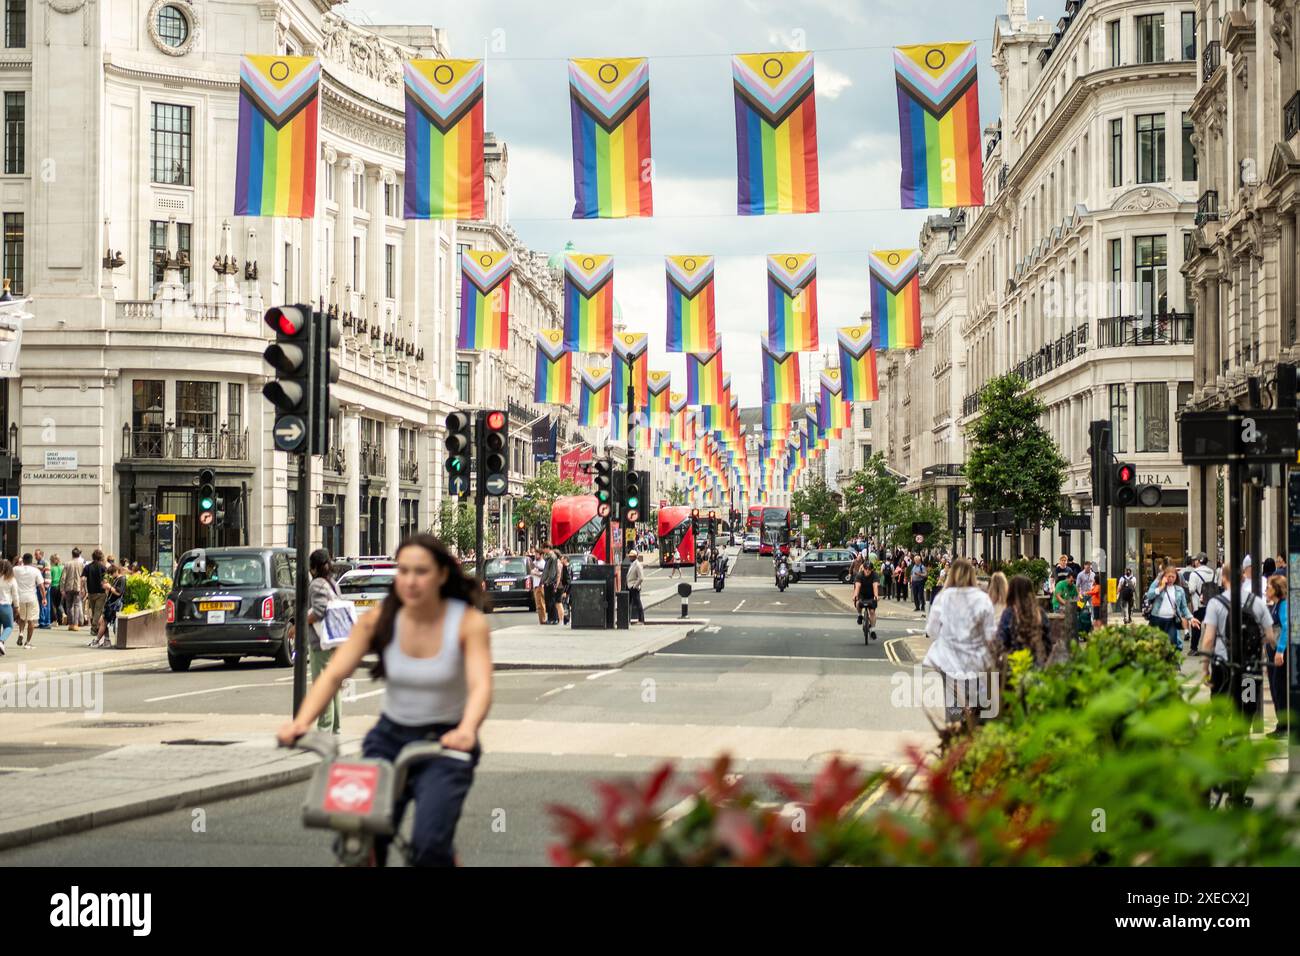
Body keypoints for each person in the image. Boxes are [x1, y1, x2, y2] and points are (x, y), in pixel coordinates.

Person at [278, 535, 492, 867]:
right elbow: (333, 674)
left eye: (421, 571)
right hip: (389, 738)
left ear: (442, 575)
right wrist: (301, 722)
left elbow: (480, 685)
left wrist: (466, 729)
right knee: (359, 836)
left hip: (445, 742)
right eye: (403, 570)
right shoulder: (380, 619)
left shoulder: (466, 623)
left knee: (430, 847)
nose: (410, 580)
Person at [922, 559, 996, 723]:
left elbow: (932, 630)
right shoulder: (983, 599)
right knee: (977, 708)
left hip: (949, 662)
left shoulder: (943, 597)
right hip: (976, 661)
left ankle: (956, 736)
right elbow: (990, 635)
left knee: (954, 709)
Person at [1199, 563, 1274, 705]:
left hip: (1223, 664)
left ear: (1223, 579)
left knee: (1220, 709)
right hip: (1250, 666)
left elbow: (1208, 640)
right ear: (1243, 578)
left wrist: (1204, 668)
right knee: (1247, 707)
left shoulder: (1215, 603)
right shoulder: (1257, 602)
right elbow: (1270, 637)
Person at [306, 549, 343, 734]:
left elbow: (319, 611)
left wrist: (299, 625)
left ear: (313, 567)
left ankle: (324, 728)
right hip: (336, 639)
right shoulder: (332, 584)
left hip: (322, 641)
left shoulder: (317, 585)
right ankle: (335, 727)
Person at [996, 574, 1054, 666]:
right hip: (1037, 665)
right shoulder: (1040, 613)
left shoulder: (1009, 613)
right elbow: (1048, 642)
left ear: (1011, 592)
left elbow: (1001, 641)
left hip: (1015, 666)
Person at [1144, 565, 1197, 651]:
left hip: (1171, 621)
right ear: (1164, 576)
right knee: (1155, 646)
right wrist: (1161, 587)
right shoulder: (1157, 583)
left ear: (1176, 577)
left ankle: (1171, 663)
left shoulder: (1179, 590)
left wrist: (1191, 618)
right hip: (1156, 619)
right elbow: (1149, 595)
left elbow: (1183, 607)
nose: (1171, 579)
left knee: (1172, 645)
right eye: (1169, 576)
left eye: (1173, 577)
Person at [1264, 574, 1289, 738]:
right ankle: (1282, 724)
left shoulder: (1283, 606)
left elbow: (1286, 628)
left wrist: (1280, 651)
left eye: (1268, 587)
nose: (1266, 590)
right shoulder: (1275, 605)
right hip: (1272, 652)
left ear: (1276, 589)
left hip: (1280, 652)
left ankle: (1284, 725)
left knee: (1279, 688)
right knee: (1274, 687)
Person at [91, 563, 127, 648]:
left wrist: (109, 587)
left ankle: (97, 640)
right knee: (102, 622)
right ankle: (106, 640)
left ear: (116, 571)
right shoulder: (116, 579)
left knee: (103, 622)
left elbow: (118, 593)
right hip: (110, 604)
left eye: (112, 573)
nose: (111, 575)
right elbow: (111, 592)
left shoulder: (122, 579)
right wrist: (107, 588)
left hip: (114, 605)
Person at [12, 553, 44, 648]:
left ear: (23, 560)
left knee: (22, 618)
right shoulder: (35, 570)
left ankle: (21, 632)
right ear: (31, 560)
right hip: (31, 597)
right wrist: (44, 598)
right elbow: (41, 586)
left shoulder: (16, 569)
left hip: (20, 597)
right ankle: (27, 642)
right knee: (31, 620)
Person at [853, 558, 880, 642]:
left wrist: (876, 596)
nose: (867, 571)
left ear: (872, 570)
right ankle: (860, 615)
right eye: (866, 569)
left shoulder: (875, 575)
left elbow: (875, 586)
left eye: (869, 569)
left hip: (871, 595)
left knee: (872, 612)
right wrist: (855, 595)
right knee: (858, 603)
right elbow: (857, 587)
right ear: (863, 568)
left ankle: (872, 630)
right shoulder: (859, 575)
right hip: (862, 594)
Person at [62, 547, 86, 632]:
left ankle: (71, 624)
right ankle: (76, 624)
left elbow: (63, 578)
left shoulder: (67, 564)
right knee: (76, 605)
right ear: (79, 554)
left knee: (69, 606)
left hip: (68, 587)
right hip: (78, 587)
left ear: (72, 554)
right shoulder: (82, 564)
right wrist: (84, 588)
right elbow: (83, 578)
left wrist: (62, 589)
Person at [84, 549, 108, 634]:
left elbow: (83, 579)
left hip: (91, 592)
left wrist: (84, 590)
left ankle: (96, 628)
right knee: (98, 611)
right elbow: (106, 579)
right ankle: (94, 627)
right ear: (101, 557)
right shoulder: (103, 567)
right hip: (101, 592)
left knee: (94, 611)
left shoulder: (87, 567)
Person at [626, 550, 646, 625]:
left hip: (633, 587)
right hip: (630, 586)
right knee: (629, 603)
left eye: (631, 556)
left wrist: (635, 586)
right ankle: (628, 620)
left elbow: (641, 578)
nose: (630, 557)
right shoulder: (632, 564)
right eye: (629, 556)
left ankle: (641, 620)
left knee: (638, 603)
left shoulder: (637, 564)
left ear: (634, 557)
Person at [0, 560, 15, 655]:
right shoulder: (11, 579)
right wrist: (17, 606)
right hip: (6, 605)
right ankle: (1, 641)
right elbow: (15, 595)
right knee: (9, 626)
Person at [543, 548, 560, 625]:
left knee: (551, 601)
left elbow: (552, 572)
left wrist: (547, 581)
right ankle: (551, 618)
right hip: (548, 582)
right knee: (549, 601)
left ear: (547, 548)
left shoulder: (552, 558)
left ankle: (553, 619)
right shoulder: (549, 557)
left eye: (544, 548)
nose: (543, 550)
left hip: (550, 583)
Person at [530, 549, 546, 625]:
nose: (536, 556)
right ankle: (541, 620)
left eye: (537, 554)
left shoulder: (543, 563)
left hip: (540, 585)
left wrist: (535, 573)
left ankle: (543, 619)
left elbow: (543, 575)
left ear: (541, 555)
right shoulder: (534, 563)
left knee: (541, 603)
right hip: (535, 585)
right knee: (538, 605)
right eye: (535, 554)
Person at [48, 555, 64, 627]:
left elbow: (50, 579)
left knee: (53, 604)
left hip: (53, 587)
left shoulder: (52, 569)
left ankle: (54, 620)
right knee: (59, 604)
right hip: (60, 587)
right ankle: (60, 620)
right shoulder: (62, 568)